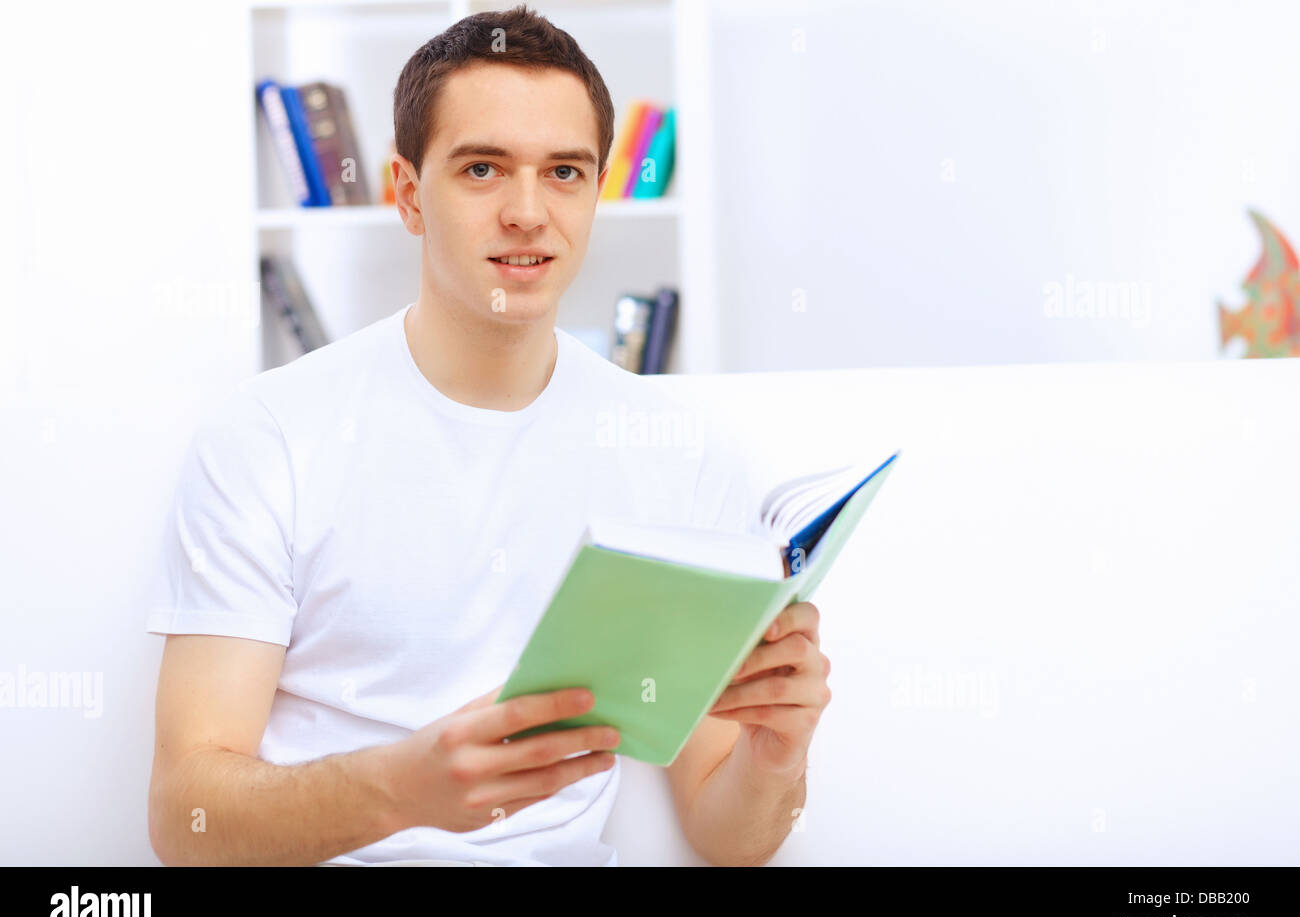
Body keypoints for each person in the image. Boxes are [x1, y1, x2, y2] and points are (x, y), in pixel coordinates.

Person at [145, 4, 830, 867]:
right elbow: (184, 818)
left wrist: (777, 756)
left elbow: (730, 838)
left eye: (566, 173)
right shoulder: (268, 437)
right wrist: (401, 788)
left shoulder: (679, 452)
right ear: (406, 194)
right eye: (482, 169)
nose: (528, 212)